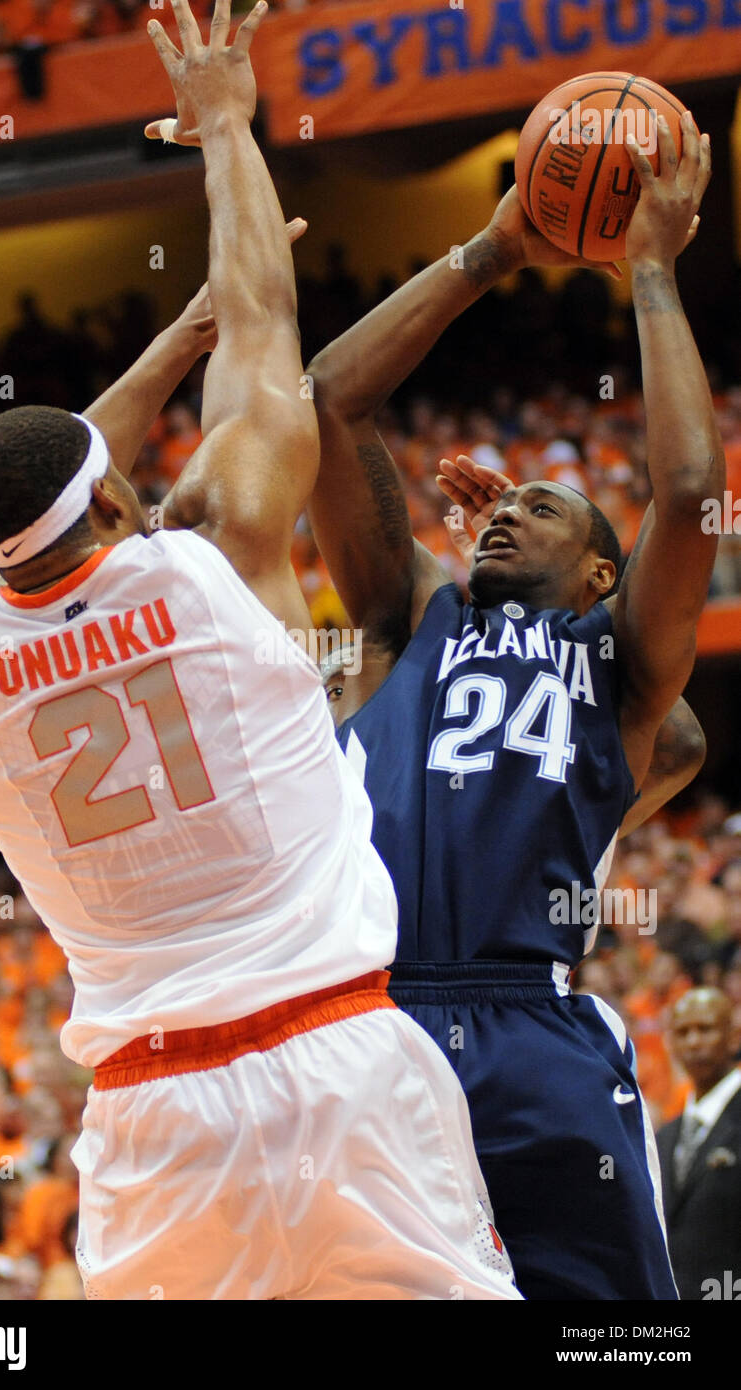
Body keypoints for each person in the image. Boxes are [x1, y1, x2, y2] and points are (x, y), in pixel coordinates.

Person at [0, 0, 519, 1302]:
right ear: (119, 494)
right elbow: (259, 322)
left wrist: (124, 400)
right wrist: (230, 126)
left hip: (151, 1123)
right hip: (337, 1053)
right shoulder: (211, 552)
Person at [306, 116, 719, 1299]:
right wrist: (487, 252)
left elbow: (687, 494)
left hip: (530, 1029)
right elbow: (327, 403)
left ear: (601, 572)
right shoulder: (404, 618)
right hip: (369, 1026)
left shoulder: (618, 660)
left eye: (542, 505)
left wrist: (648, 266)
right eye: (500, 504)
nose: (504, 509)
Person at [657, 988, 741, 1300]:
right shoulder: (664, 1137)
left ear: (733, 1037)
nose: (693, 1042)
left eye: (705, 1029)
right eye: (682, 1032)